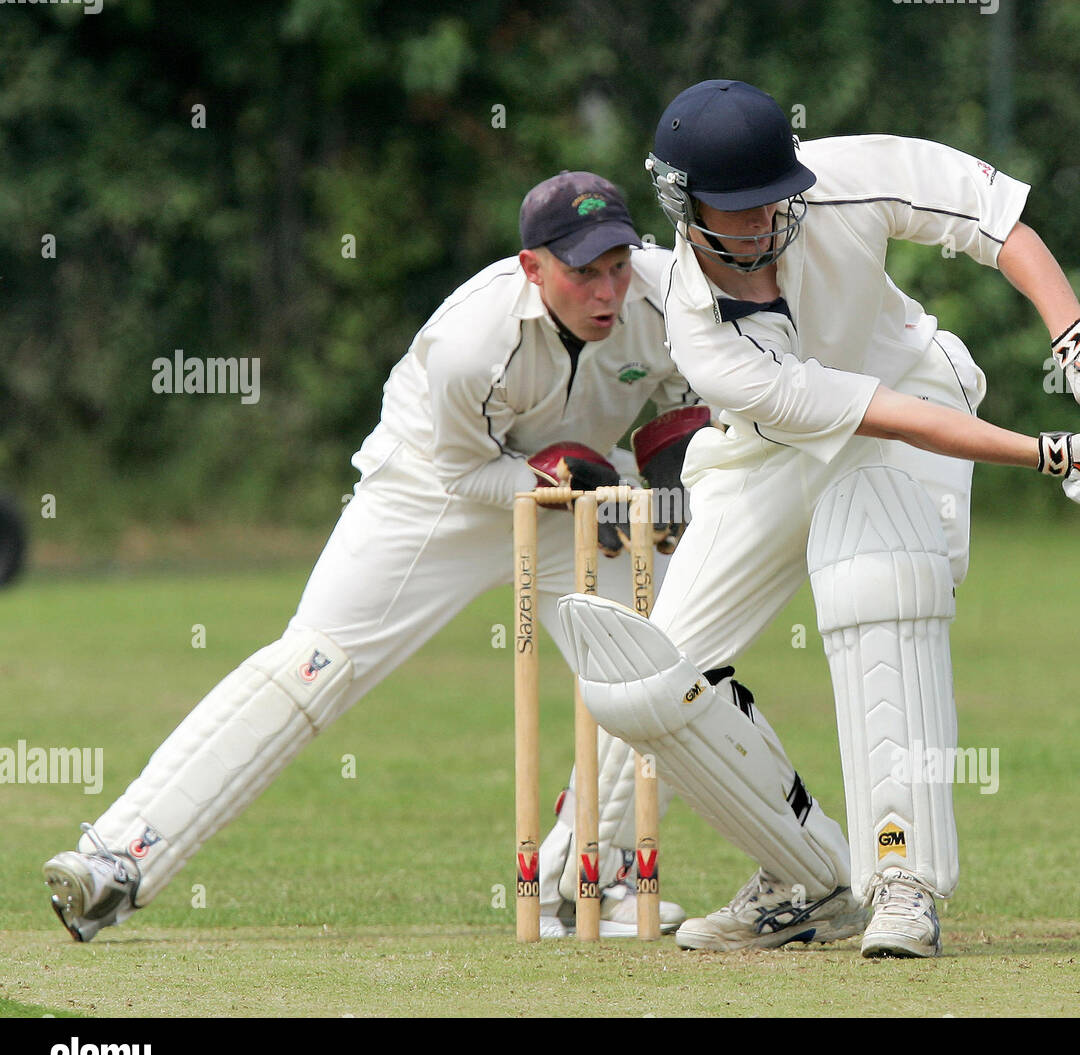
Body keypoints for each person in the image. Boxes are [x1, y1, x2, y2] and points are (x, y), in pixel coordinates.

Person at [555, 80, 1080, 957]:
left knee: (879, 583)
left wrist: (1077, 340)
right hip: (777, 444)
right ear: (685, 206)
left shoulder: (842, 179)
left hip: (916, 389)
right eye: (740, 207)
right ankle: (808, 881)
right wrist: (1053, 453)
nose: (765, 221)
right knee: (649, 684)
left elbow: (997, 224)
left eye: (774, 198)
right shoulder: (701, 330)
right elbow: (872, 413)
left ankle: (903, 881)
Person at [42, 171, 711, 942]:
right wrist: (549, 476)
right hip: (436, 490)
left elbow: (687, 398)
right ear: (533, 267)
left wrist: (673, 479)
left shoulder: (666, 295)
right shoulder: (471, 341)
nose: (607, 291)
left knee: (665, 655)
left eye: (617, 266)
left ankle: (589, 874)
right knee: (316, 663)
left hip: (581, 489)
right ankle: (117, 859)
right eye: (583, 271)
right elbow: (465, 470)